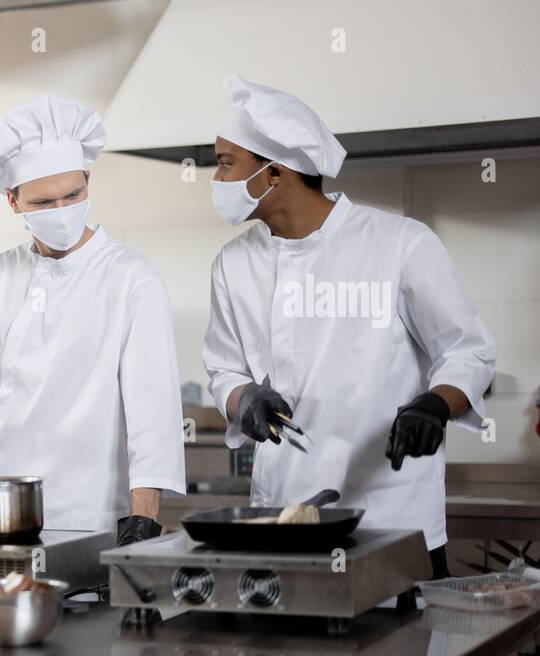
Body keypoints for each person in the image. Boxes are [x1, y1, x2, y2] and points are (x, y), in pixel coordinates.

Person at [202, 75, 497, 580]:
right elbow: (223, 368)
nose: (217, 178)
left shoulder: (401, 244)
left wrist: (435, 404)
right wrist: (243, 398)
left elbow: (467, 354)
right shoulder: (233, 263)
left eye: (227, 163)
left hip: (391, 520)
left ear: (274, 173)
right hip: (283, 518)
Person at [0, 95, 186, 545]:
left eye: (74, 194)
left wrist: (143, 518)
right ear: (13, 201)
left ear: (88, 179)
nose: (63, 211)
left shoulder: (131, 279)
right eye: (44, 202)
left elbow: (153, 413)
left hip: (86, 514)